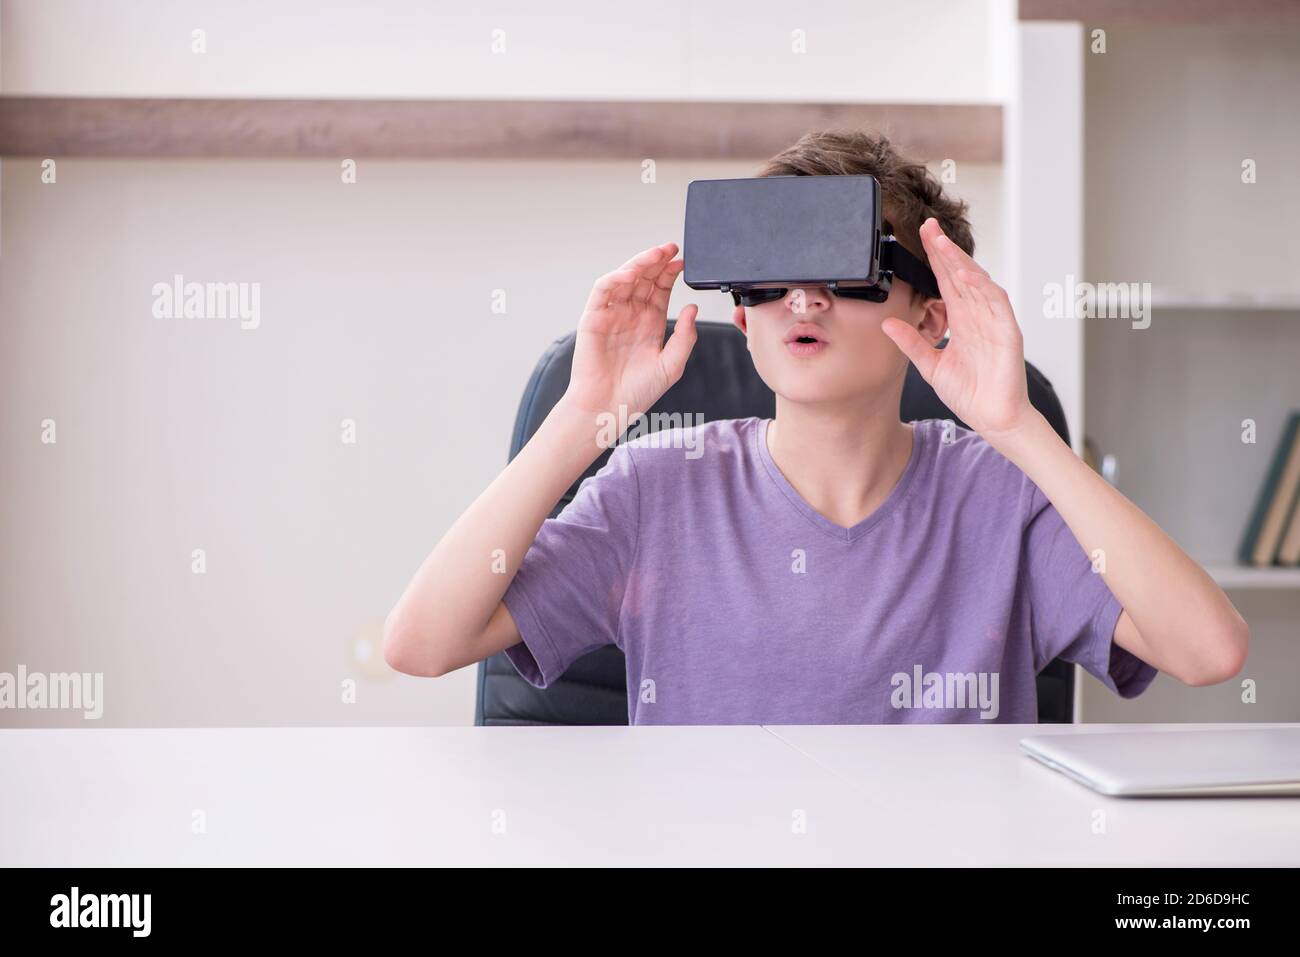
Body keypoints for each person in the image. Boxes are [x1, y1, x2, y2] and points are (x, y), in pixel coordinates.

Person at [383, 129, 1248, 724]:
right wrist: (584, 416)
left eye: (850, 268)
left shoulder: (1000, 496)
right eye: (769, 274)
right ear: (742, 311)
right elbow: (422, 643)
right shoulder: (655, 491)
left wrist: (1019, 426)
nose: (804, 298)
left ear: (932, 311)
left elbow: (1208, 650)